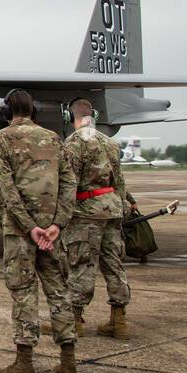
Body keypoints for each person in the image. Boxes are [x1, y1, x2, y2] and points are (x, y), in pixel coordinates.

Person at [0, 88, 79, 373]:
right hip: (51, 229)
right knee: (59, 291)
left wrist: (29, 227)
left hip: (20, 231)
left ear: (7, 112)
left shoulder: (1, 139)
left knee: (23, 291)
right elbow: (68, 183)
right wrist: (57, 225)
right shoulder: (53, 138)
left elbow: (8, 191)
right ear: (33, 111)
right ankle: (68, 363)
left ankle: (24, 364)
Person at [61, 98, 132, 340]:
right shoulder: (110, 143)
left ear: (71, 118)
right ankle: (118, 320)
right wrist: (122, 208)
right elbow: (119, 182)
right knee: (113, 263)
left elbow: (68, 183)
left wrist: (59, 216)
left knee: (82, 263)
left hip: (86, 211)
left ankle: (75, 319)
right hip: (112, 208)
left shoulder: (72, 144)